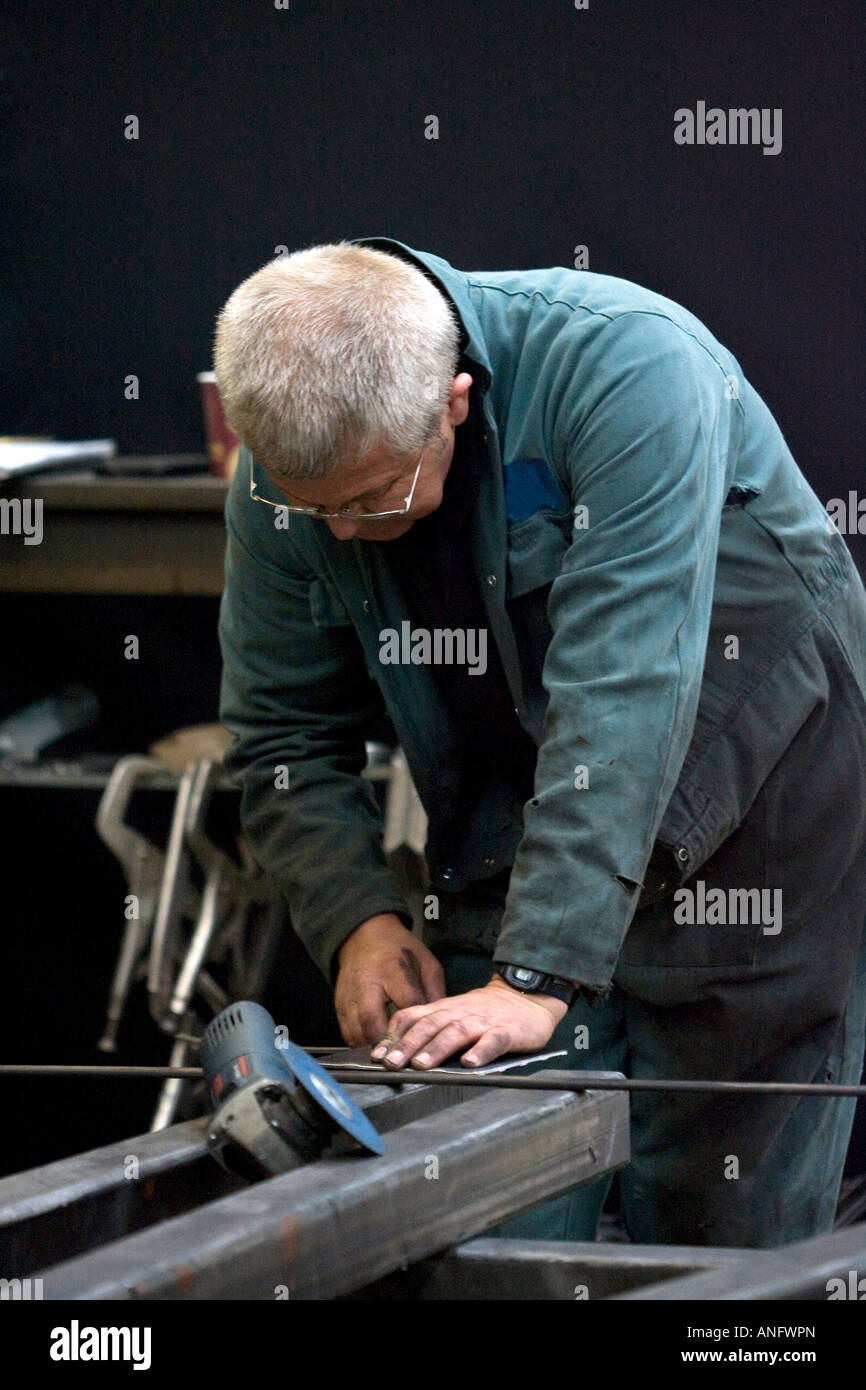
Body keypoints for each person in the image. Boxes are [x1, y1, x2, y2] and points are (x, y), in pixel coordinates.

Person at [214, 237, 866, 1246]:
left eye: (369, 498)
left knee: (716, 1225)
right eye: (312, 507)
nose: (337, 533)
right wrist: (357, 921)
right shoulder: (287, 475)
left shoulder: (629, 370)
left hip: (757, 792)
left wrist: (534, 977)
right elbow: (282, 729)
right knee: (485, 1179)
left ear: (454, 403)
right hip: (519, 801)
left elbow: (624, 690)